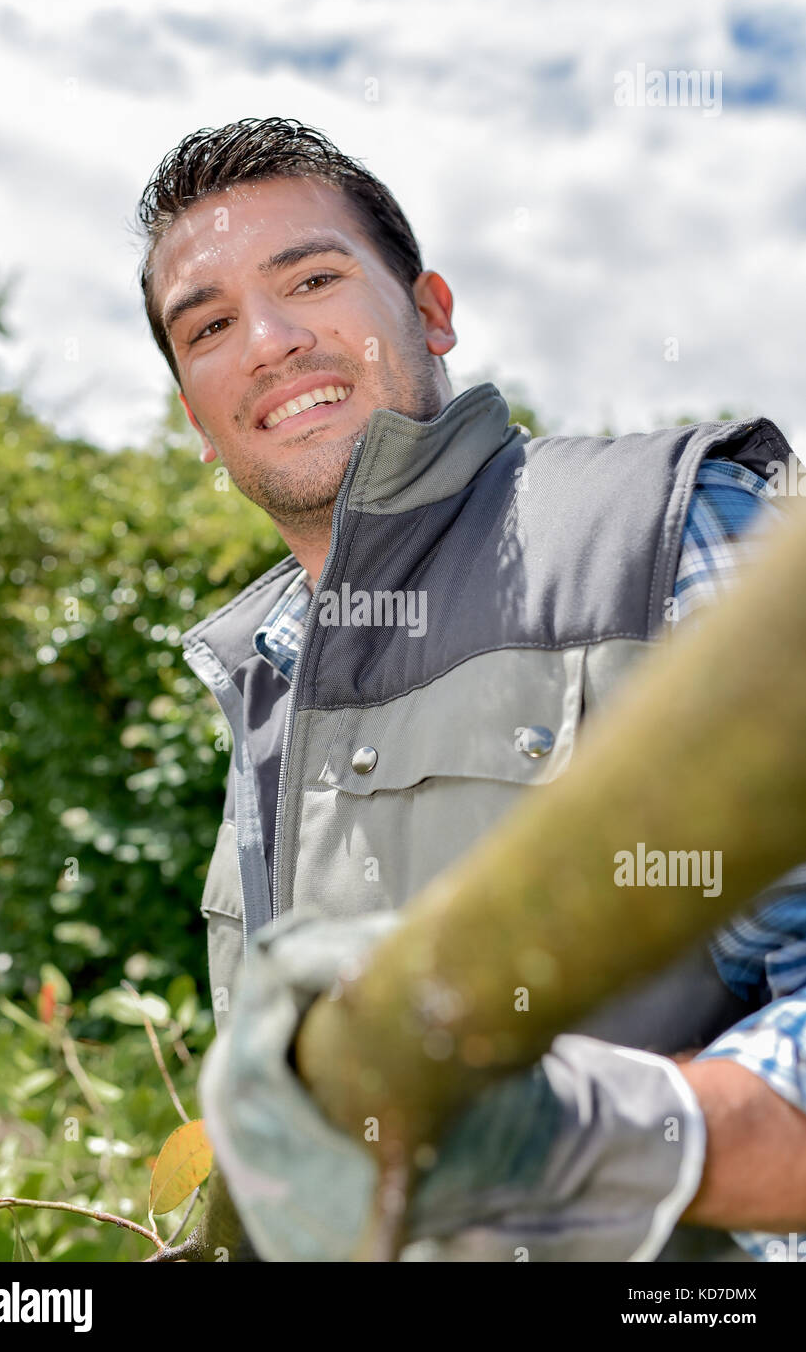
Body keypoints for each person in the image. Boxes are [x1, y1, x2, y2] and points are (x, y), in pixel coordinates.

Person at [135, 117, 806, 1262]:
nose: (271, 339)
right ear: (198, 419)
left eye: (312, 277)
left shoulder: (671, 532)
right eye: (210, 326)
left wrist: (594, 1141)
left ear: (432, 310)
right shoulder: (259, 687)